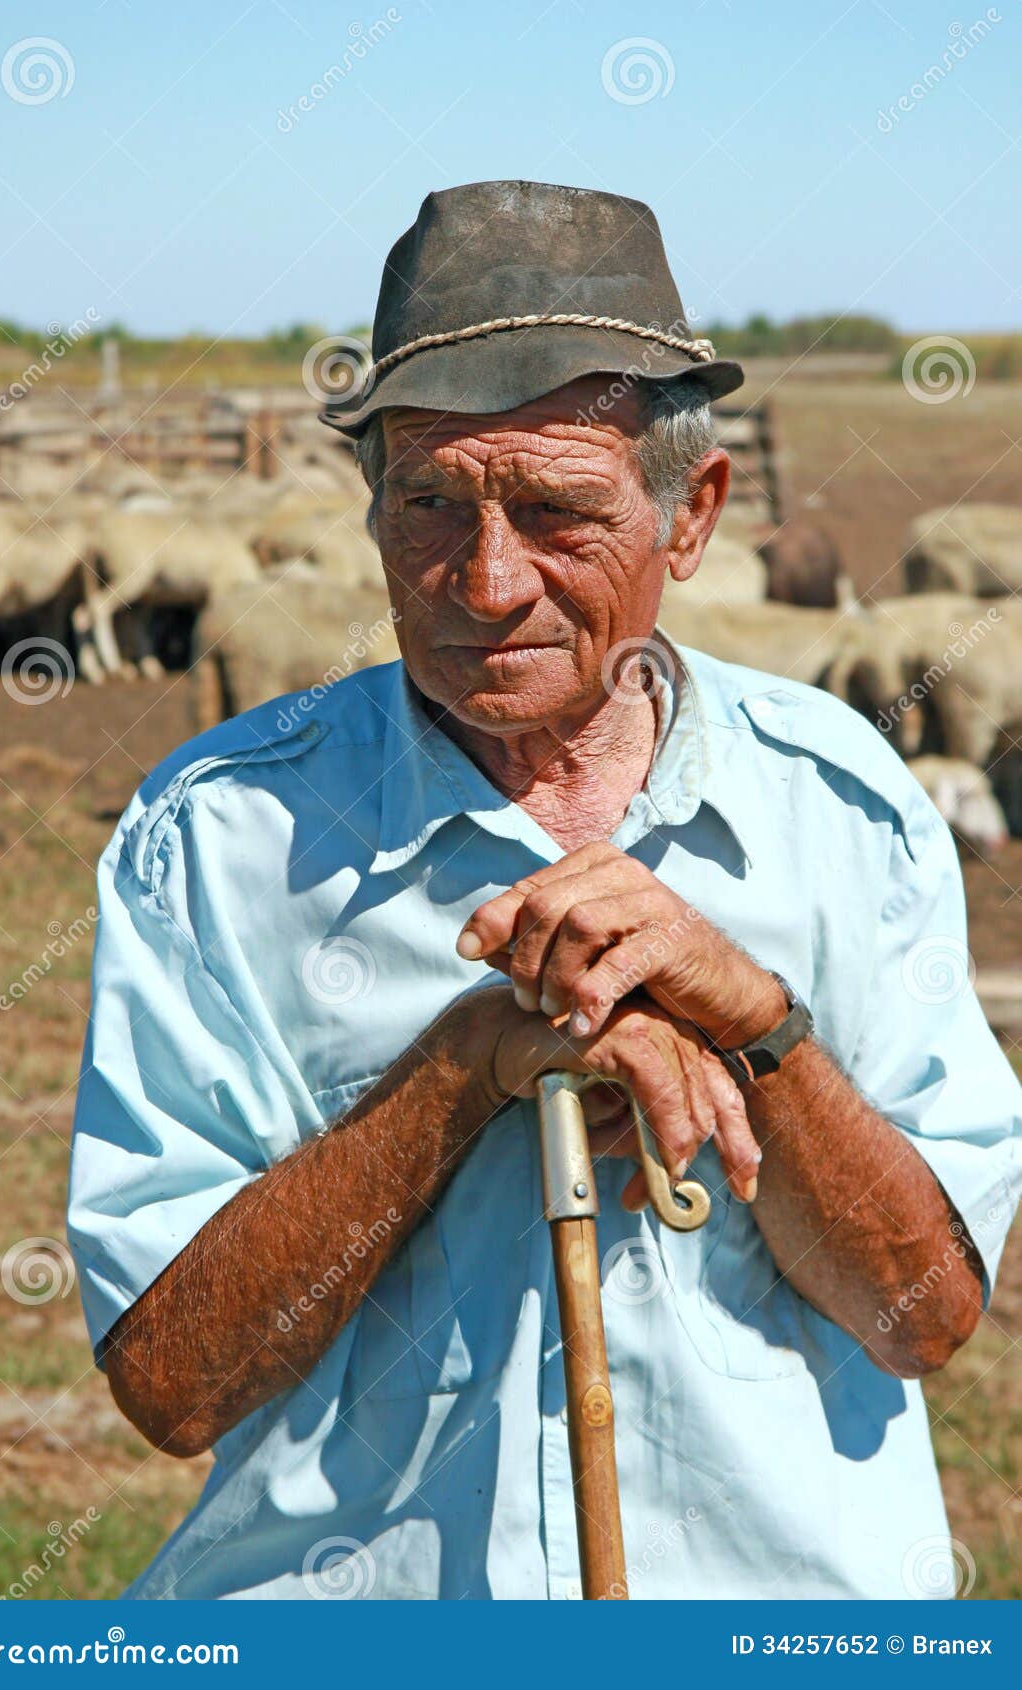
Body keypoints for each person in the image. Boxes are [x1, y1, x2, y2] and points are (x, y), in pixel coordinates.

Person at [68, 180, 1021, 1600]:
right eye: (431, 503)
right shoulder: (220, 837)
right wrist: (471, 1063)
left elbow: (925, 1316)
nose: (486, 578)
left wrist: (756, 1024)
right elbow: (173, 1380)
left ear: (691, 516)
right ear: (372, 507)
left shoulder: (847, 805)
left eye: (559, 511)